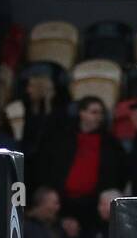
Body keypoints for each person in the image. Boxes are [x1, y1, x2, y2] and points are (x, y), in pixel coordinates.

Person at [33, 96, 127, 231]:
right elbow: (49, 166)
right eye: (94, 112)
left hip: (94, 206)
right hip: (63, 203)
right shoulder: (63, 138)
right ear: (81, 113)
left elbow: (119, 172)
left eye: (101, 113)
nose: (98, 117)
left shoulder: (110, 143)